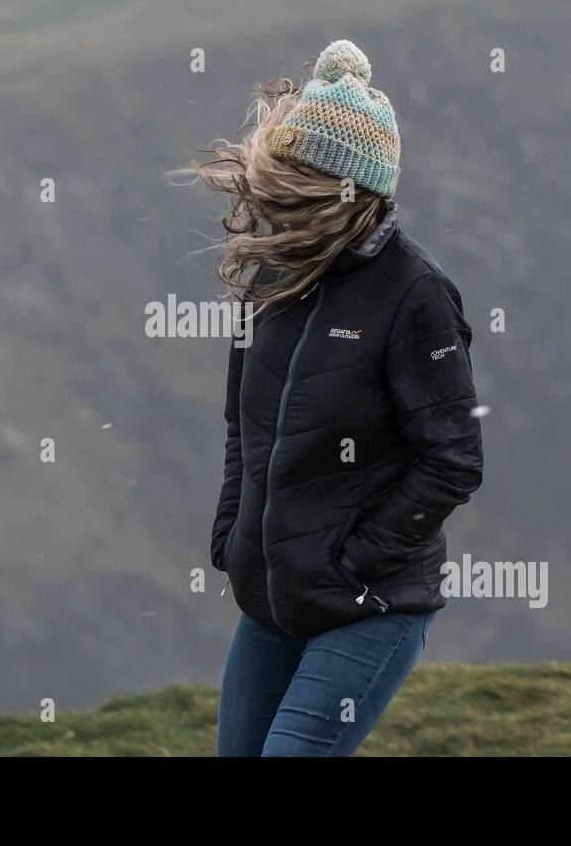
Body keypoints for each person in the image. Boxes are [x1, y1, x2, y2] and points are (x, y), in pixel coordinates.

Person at [191, 40, 484, 756]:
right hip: (273, 600)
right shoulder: (274, 278)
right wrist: (235, 532)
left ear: (345, 189)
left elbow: (453, 460)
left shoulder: (416, 297)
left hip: (370, 605)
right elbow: (243, 424)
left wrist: (354, 562)